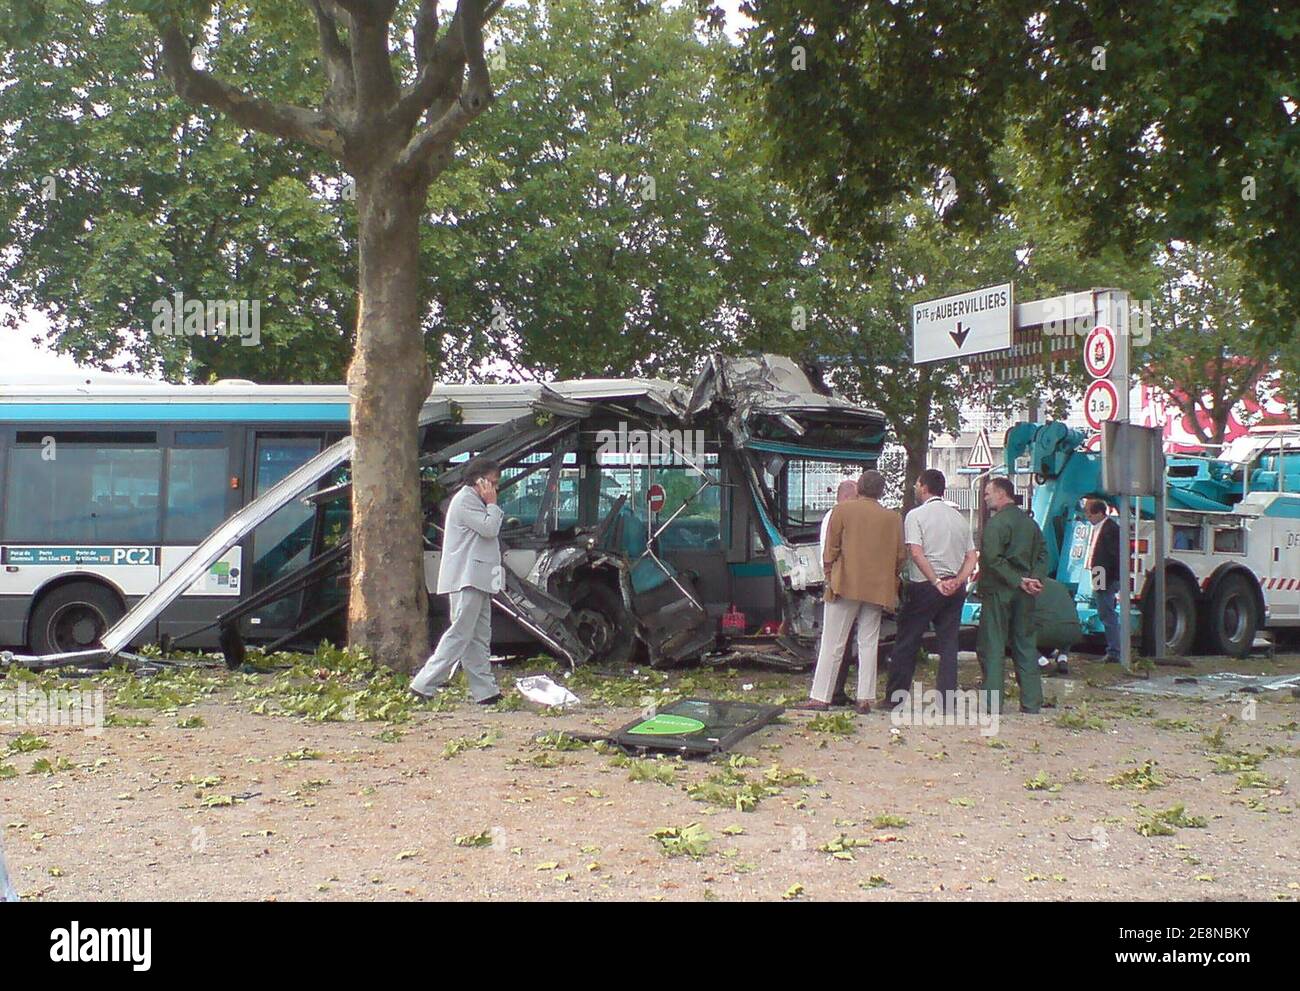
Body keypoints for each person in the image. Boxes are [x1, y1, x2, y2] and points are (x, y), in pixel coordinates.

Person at [797, 469, 905, 714]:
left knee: (833, 642)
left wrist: (828, 576)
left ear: (859, 488)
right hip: (878, 587)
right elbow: (900, 556)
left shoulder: (842, 511)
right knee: (868, 642)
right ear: (882, 491)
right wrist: (888, 577)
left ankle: (820, 697)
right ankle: (865, 698)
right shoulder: (893, 518)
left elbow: (830, 549)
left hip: (844, 583)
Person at [411, 456, 505, 705]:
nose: (496, 489)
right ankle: (423, 684)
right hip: (467, 577)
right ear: (480, 482)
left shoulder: (471, 500)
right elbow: (490, 528)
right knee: (460, 634)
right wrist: (493, 504)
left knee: (478, 636)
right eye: (493, 483)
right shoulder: (465, 501)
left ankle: (485, 691)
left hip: (478, 577)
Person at [884, 469, 977, 711]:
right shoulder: (959, 518)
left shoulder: (915, 516)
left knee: (908, 640)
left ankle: (895, 698)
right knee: (949, 643)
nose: (915, 488)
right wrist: (958, 580)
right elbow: (971, 556)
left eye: (917, 484)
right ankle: (946, 700)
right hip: (954, 587)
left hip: (925, 586)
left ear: (924, 487)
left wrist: (935, 581)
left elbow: (916, 552)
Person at [976, 477, 1048, 714]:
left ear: (1001, 494)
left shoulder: (996, 525)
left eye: (988, 493)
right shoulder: (1030, 524)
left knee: (993, 645)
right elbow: (1043, 554)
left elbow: (991, 560)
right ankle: (1031, 702)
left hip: (999, 591)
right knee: (1026, 644)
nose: (985, 498)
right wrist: (1034, 579)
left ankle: (992, 704)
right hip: (1026, 593)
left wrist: (1017, 581)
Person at [1085, 498, 1122, 663]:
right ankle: (1113, 649)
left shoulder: (1110, 529)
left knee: (1106, 611)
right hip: (1099, 573)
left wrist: (1108, 579)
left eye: (1090, 514)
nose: (1088, 518)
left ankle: (1114, 651)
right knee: (1104, 610)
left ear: (1099, 513)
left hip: (1103, 574)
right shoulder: (1100, 528)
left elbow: (1113, 556)